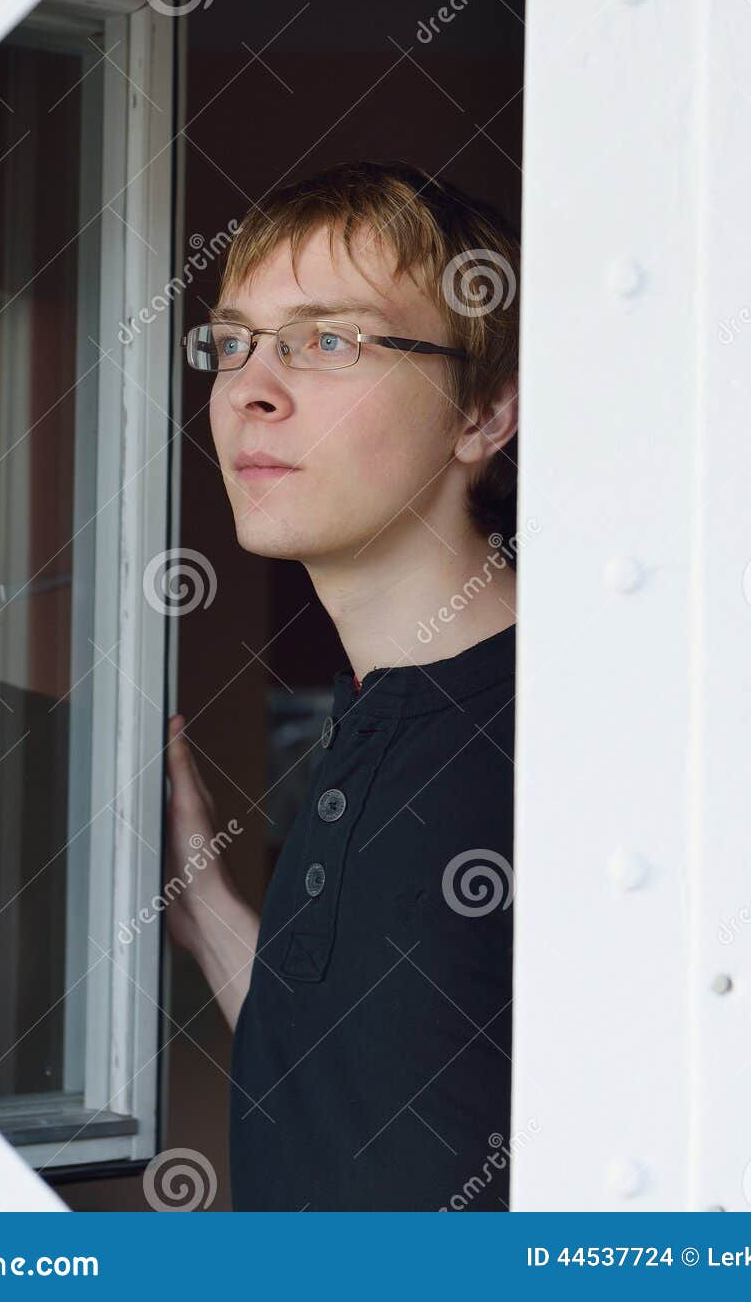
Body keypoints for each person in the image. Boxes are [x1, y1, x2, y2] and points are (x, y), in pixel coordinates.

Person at [164, 159, 519, 1210]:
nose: (251, 390)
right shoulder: (380, 714)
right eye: (234, 343)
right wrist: (207, 908)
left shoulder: (567, 734)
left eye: (329, 340)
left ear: (485, 412)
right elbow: (388, 1086)